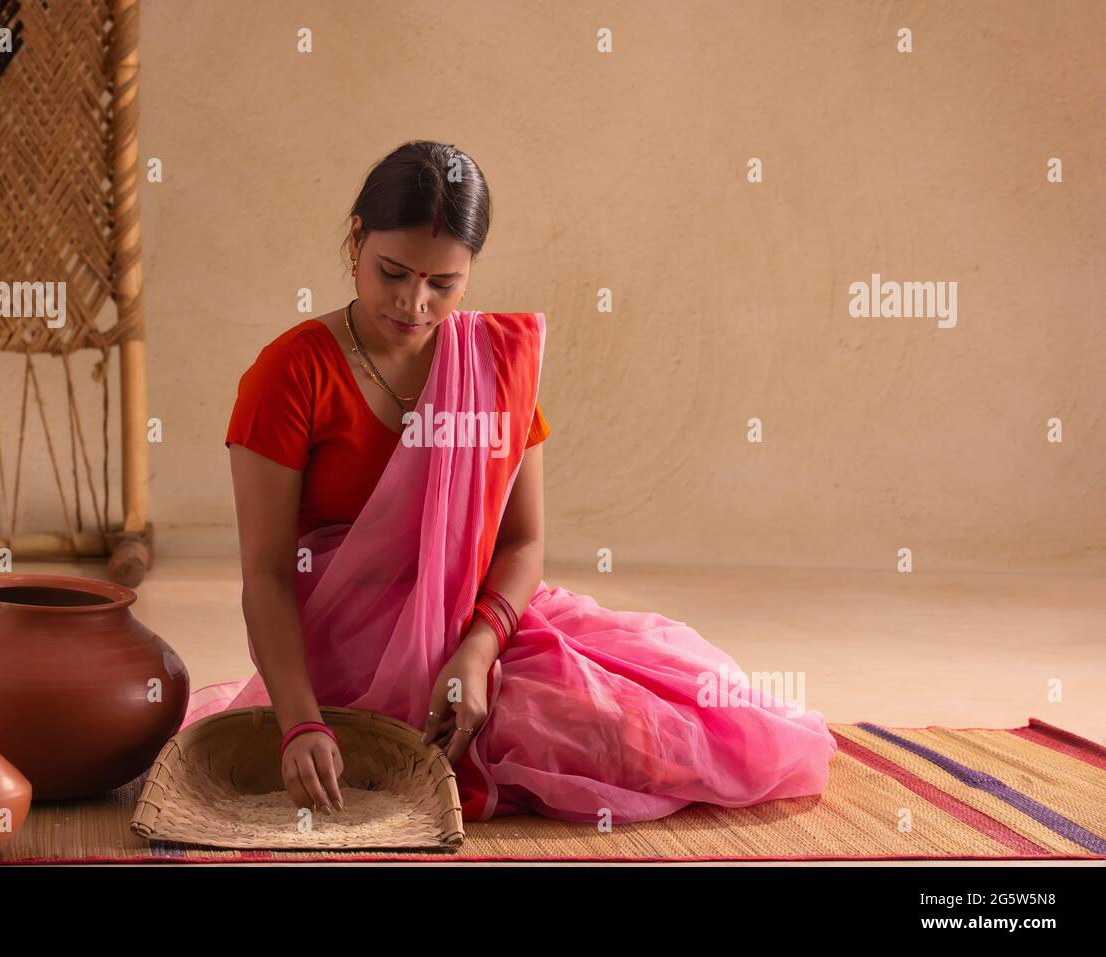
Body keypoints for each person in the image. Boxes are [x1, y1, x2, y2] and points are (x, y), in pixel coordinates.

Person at [183, 141, 836, 824]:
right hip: (348, 652)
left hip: (475, 621)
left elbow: (522, 544)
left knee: (658, 721)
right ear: (355, 242)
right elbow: (266, 575)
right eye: (393, 272)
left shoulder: (490, 365)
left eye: (444, 283)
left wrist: (476, 650)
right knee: (542, 737)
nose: (414, 302)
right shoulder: (290, 374)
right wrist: (298, 723)